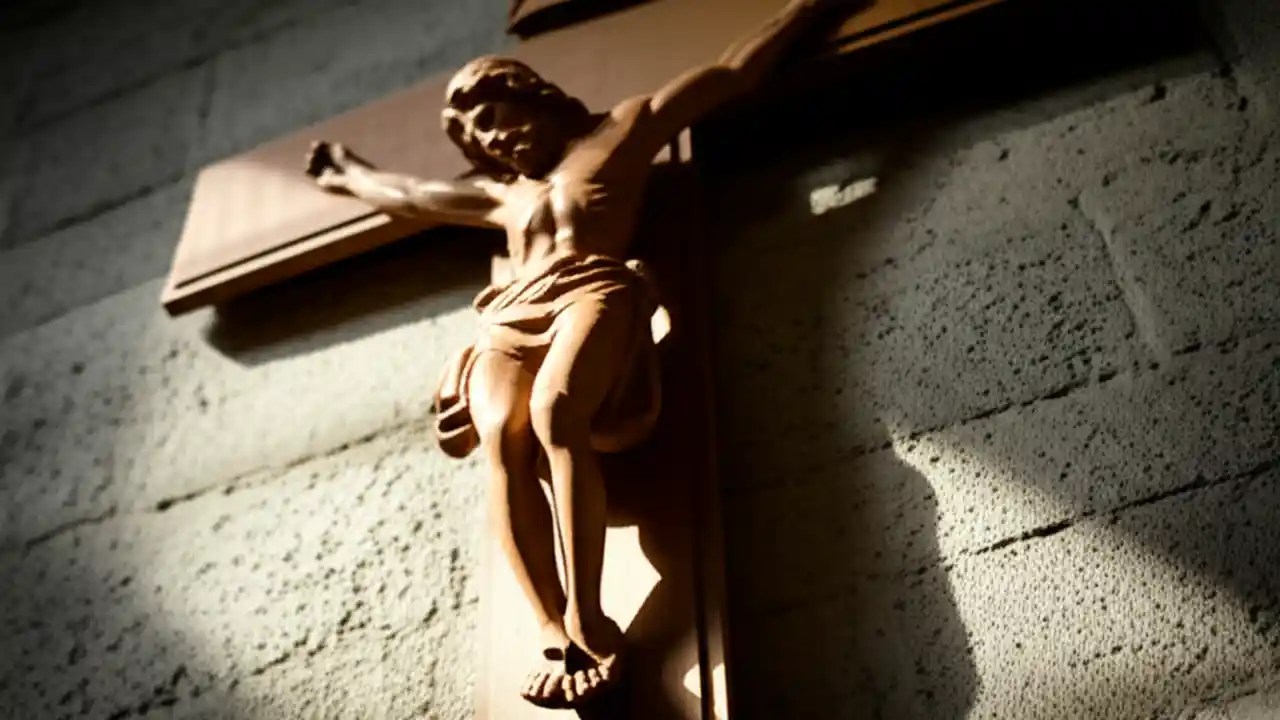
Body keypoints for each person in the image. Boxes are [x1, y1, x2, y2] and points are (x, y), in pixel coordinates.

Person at [306, 0, 845, 707]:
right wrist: (346, 173)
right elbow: (411, 196)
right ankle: (552, 627)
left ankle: (591, 617)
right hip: (509, 317)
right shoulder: (505, 199)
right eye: (477, 142)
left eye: (493, 119)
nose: (493, 144)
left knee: (557, 413)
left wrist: (809, 8)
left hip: (591, 290)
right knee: (504, 438)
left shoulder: (623, 131)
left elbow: (732, 71)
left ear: (529, 93)